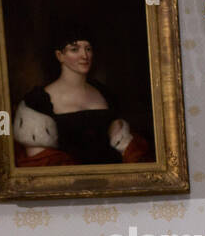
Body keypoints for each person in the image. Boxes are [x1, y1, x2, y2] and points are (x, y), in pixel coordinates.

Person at [13, 27, 151, 167]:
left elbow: (126, 147)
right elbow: (40, 161)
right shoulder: (38, 101)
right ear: (60, 55)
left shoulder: (104, 92)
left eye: (88, 49)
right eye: (74, 49)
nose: (84, 56)